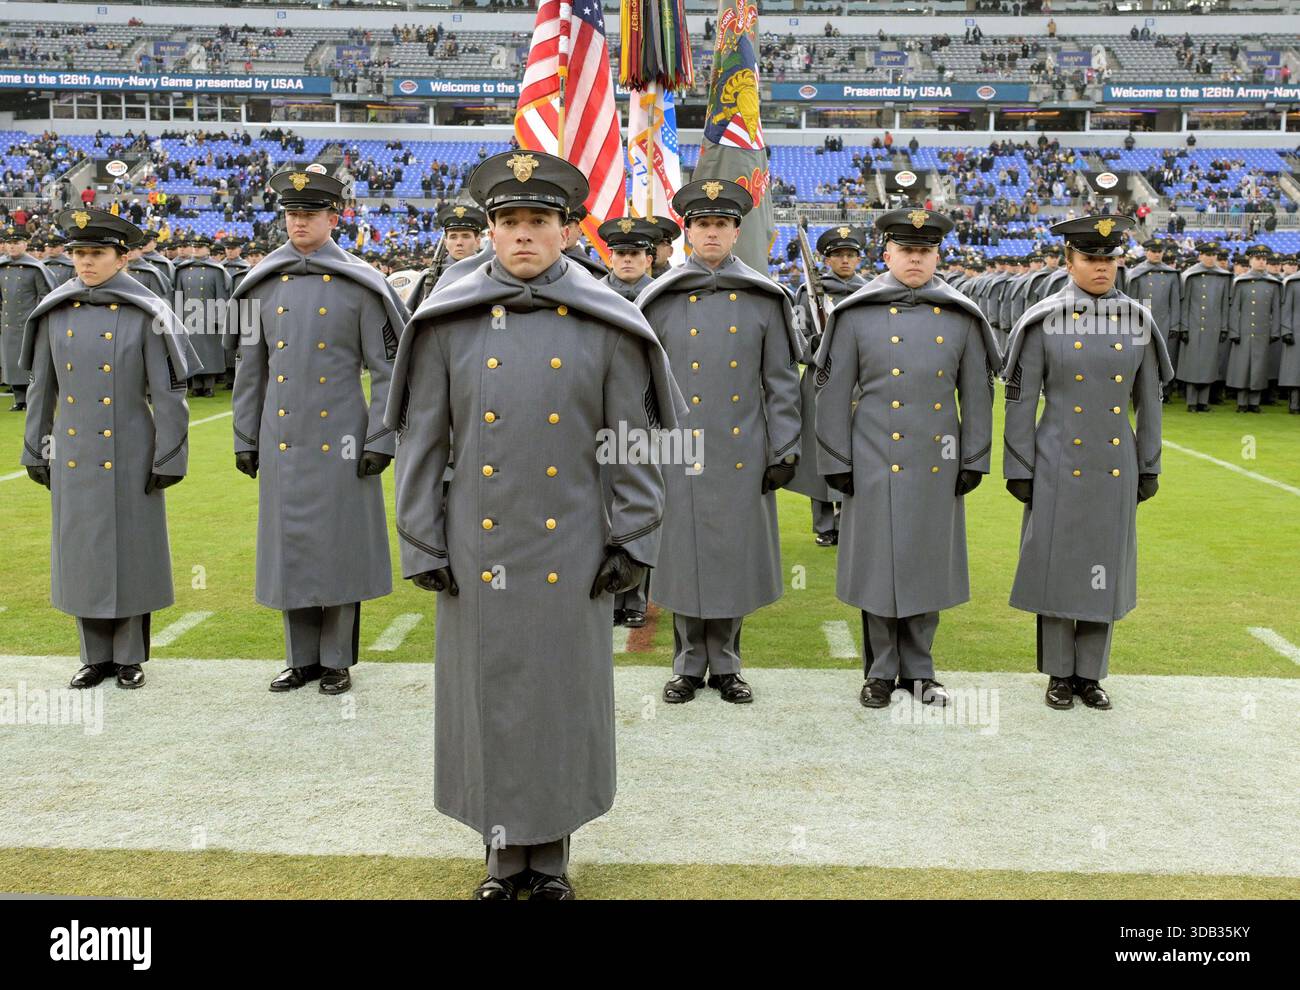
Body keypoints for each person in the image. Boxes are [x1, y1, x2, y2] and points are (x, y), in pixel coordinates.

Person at [384, 150, 679, 900]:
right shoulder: (447, 318)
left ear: (566, 229)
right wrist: (420, 537)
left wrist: (633, 538)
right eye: (508, 222)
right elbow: (423, 440)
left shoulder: (606, 320)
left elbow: (637, 445)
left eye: (538, 222)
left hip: (572, 545)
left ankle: (550, 859)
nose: (522, 236)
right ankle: (498, 854)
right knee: (488, 700)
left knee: (558, 698)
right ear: (490, 229)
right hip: (475, 546)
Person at [231, 169, 408, 696]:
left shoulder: (361, 284)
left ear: (335, 218)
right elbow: (250, 367)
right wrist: (244, 436)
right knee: (292, 551)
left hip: (343, 441)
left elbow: (388, 371)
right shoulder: (261, 284)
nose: (300, 222)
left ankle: (336, 660)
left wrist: (381, 438)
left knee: (339, 549)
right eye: (292, 214)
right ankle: (299, 658)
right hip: (280, 437)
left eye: (310, 214)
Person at [814, 208, 998, 709]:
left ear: (937, 255)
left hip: (935, 460)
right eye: (906, 251)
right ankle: (878, 671)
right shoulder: (856, 312)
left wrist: (974, 457)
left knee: (924, 565)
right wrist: (835, 458)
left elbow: (977, 392)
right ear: (887, 254)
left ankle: (920, 670)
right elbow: (830, 392)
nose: (915, 259)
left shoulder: (961, 315)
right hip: (872, 458)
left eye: (925, 251)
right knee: (877, 567)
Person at [637, 179, 803, 706]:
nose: (712, 233)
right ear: (686, 231)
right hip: (676, 451)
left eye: (722, 225)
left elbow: (780, 381)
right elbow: (637, 383)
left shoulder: (764, 297)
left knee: (731, 558)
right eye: (702, 224)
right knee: (683, 559)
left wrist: (785, 449)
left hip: (740, 450)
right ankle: (687, 665)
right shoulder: (658, 298)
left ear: (736, 231)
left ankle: (727, 664)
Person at [1001, 215, 1173, 711]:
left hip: (1114, 464)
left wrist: (1149, 464)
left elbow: (1150, 402)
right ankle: (1058, 673)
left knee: (1105, 565)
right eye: (1091, 259)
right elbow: (1020, 401)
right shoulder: (1043, 319)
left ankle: (1091, 674)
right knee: (1057, 565)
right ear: (1068, 261)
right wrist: (1019, 467)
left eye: (1109, 260)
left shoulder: (1138, 321)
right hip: (1056, 462)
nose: (1101, 269)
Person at [20, 207, 195, 690]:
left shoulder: (146, 312)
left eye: (96, 253)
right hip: (73, 450)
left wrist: (170, 455)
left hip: (132, 451)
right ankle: (94, 656)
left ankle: (129, 656)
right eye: (78, 253)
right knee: (83, 553)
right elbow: (41, 388)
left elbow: (169, 393)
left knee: (131, 553)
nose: (85, 262)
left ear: (122, 257)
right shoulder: (56, 311)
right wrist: (35, 448)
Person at [595, 215, 663, 627]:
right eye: (619, 252)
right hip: (598, 417)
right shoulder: (591, 295)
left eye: (635, 253)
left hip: (645, 416)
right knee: (602, 505)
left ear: (649, 258)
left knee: (638, 503)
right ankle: (609, 594)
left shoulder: (661, 297)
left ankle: (636, 595)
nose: (626, 259)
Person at [790, 226, 867, 548]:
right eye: (838, 256)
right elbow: (796, 338)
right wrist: (815, 346)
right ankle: (825, 523)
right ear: (827, 259)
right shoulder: (808, 293)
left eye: (850, 255)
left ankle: (853, 517)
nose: (845, 261)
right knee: (819, 450)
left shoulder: (871, 292)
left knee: (859, 451)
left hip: (861, 383)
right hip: (821, 380)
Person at [1, 225, 54, 411]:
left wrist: (38, 319)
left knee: (30, 362)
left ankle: (33, 397)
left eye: (16, 243)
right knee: (11, 362)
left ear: (25, 244)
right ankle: (19, 399)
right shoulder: (2, 267)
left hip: (28, 321)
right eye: (9, 243)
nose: (12, 246)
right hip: (8, 323)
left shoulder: (35, 267)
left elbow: (44, 296)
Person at [1177, 241, 1232, 412]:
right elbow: (1185, 304)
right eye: (1207, 255)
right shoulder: (1190, 276)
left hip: (1212, 328)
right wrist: (1184, 327)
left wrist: (1223, 328)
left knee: (1209, 365)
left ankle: (1203, 402)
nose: (1210, 258)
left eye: (1213, 255)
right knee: (1193, 366)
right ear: (1200, 256)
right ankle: (1192, 402)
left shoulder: (1222, 277)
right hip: (1193, 326)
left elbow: (1224, 305)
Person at [174, 232, 231, 397]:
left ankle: (209, 385)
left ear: (208, 249)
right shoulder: (182, 270)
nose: (196, 250)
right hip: (188, 317)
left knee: (210, 351)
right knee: (192, 351)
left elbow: (221, 296)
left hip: (208, 316)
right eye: (194, 247)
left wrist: (219, 318)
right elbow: (178, 295)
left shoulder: (216, 270)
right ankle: (196, 385)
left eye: (200, 247)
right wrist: (177, 318)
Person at [1226, 244, 1281, 413]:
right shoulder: (1240, 282)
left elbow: (1276, 310)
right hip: (1243, 331)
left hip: (1262, 332)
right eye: (1258, 259)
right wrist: (1234, 331)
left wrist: (1275, 332)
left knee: (1259, 368)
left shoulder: (1273, 284)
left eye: (1264, 259)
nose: (1262, 262)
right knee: (1242, 367)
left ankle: (1254, 403)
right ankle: (1242, 402)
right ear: (1250, 260)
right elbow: (1235, 309)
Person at [400, 203, 488, 306]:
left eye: (466, 236)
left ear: (478, 241)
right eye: (453, 237)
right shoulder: (430, 277)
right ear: (446, 243)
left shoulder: (489, 272)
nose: (459, 243)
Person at [1125, 239, 1182, 396]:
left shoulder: (1171, 275)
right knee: (1138, 358)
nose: (1157, 254)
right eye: (1153, 251)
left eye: (1159, 251)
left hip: (1163, 322)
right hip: (1141, 323)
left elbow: (1175, 302)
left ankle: (1164, 391)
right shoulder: (1136, 273)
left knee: (1163, 358)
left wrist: (1175, 325)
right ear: (1146, 252)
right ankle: (1136, 390)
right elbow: (1130, 300)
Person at [561, 204, 609, 278]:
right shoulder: (543, 263)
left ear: (579, 232)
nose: (564, 232)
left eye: (569, 227)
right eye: (560, 226)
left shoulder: (593, 271)